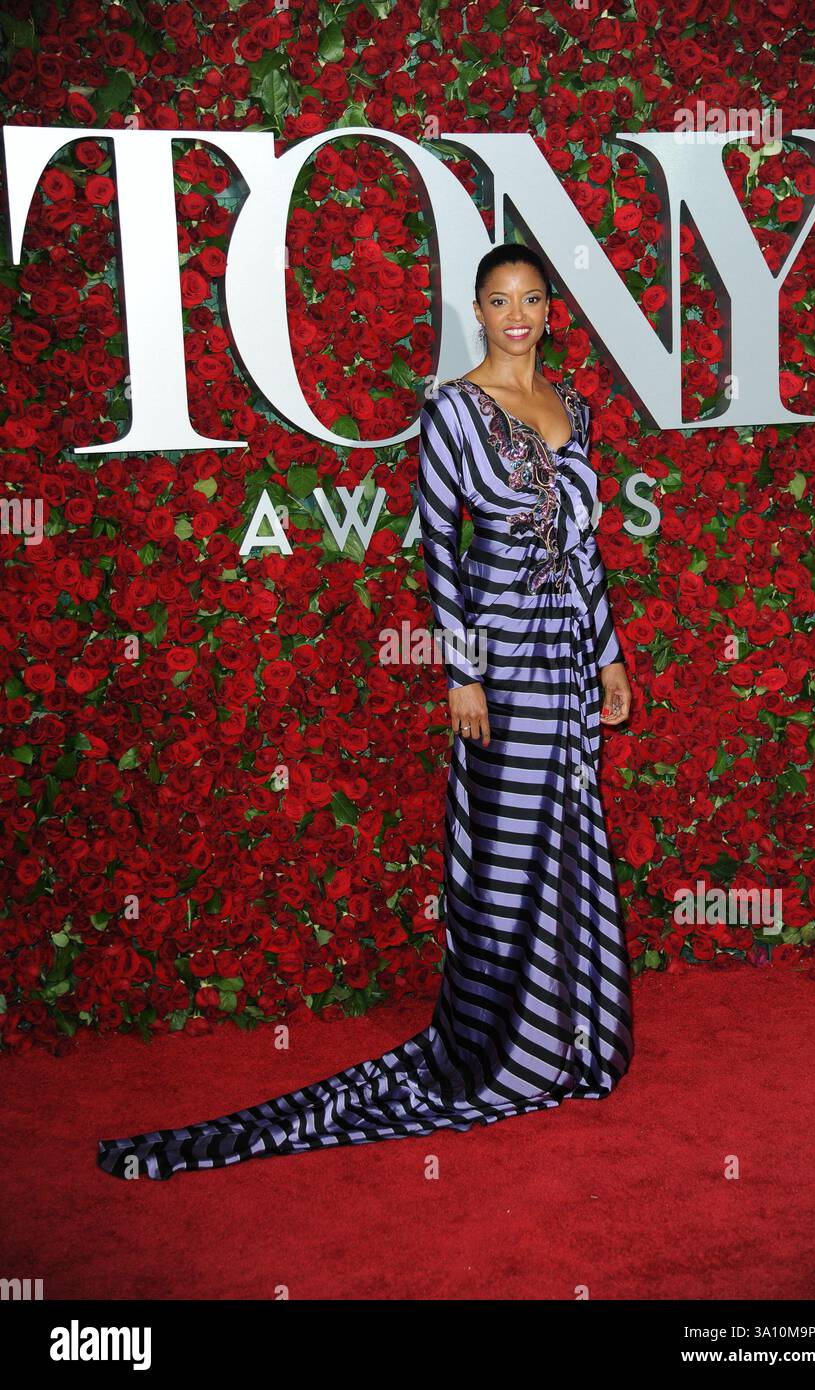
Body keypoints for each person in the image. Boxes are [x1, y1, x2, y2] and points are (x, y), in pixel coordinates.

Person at [96, 243, 634, 1182]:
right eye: (497, 300)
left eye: (530, 300)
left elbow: (585, 553)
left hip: (569, 663)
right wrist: (460, 675)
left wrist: (612, 653)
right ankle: (498, 1048)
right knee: (506, 853)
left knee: (566, 838)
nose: (515, 315)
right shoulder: (455, 412)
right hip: (502, 662)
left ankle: (569, 1035)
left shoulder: (573, 409)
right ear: (478, 312)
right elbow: (438, 547)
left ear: (552, 312)